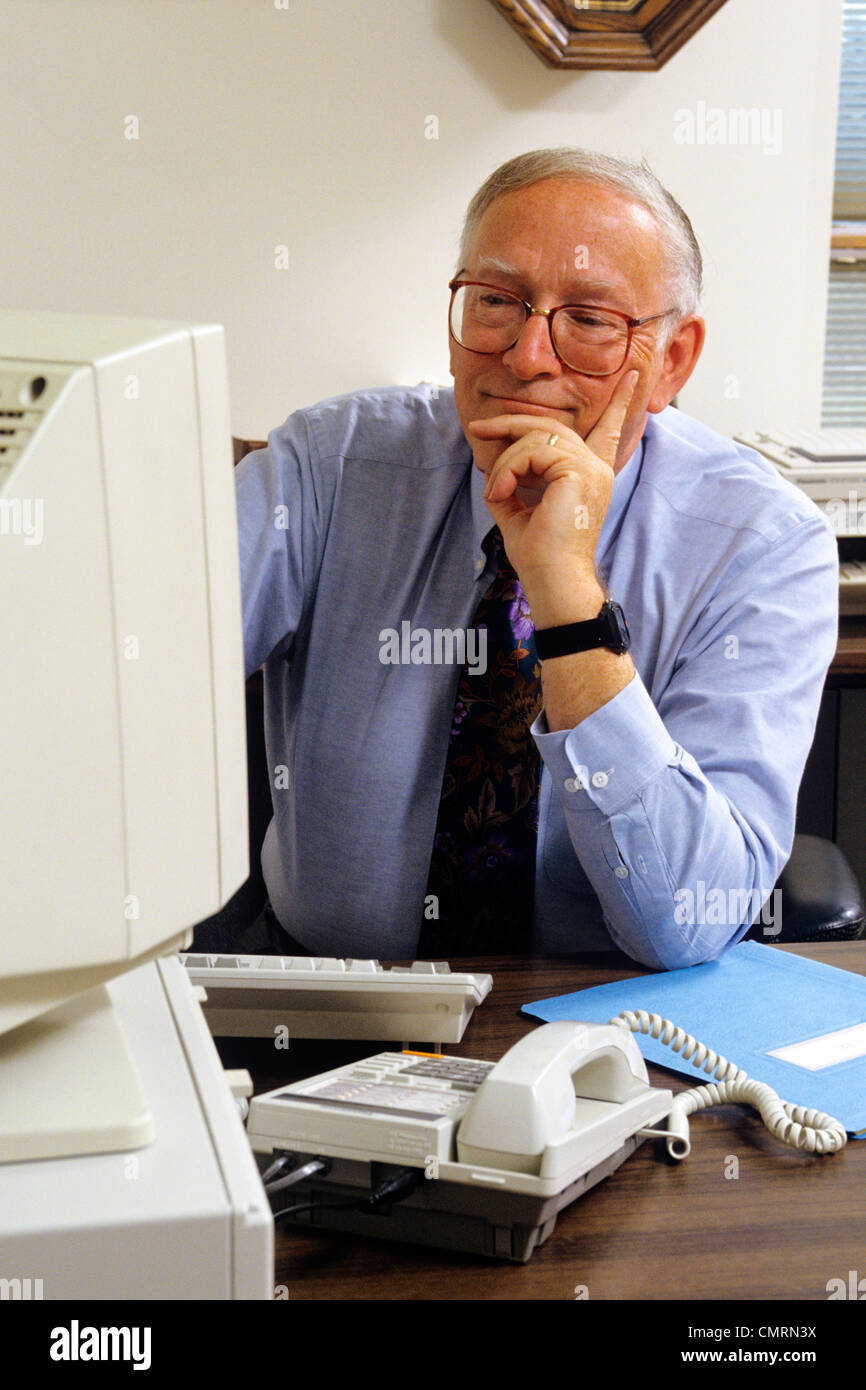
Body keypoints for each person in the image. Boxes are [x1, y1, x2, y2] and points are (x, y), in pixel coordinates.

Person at [221, 147, 838, 970]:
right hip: (327, 1009)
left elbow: (686, 921)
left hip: (610, 1034)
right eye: (497, 302)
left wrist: (563, 589)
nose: (525, 356)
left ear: (674, 362)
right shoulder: (332, 465)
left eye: (588, 319)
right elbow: (131, 673)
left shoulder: (766, 544)